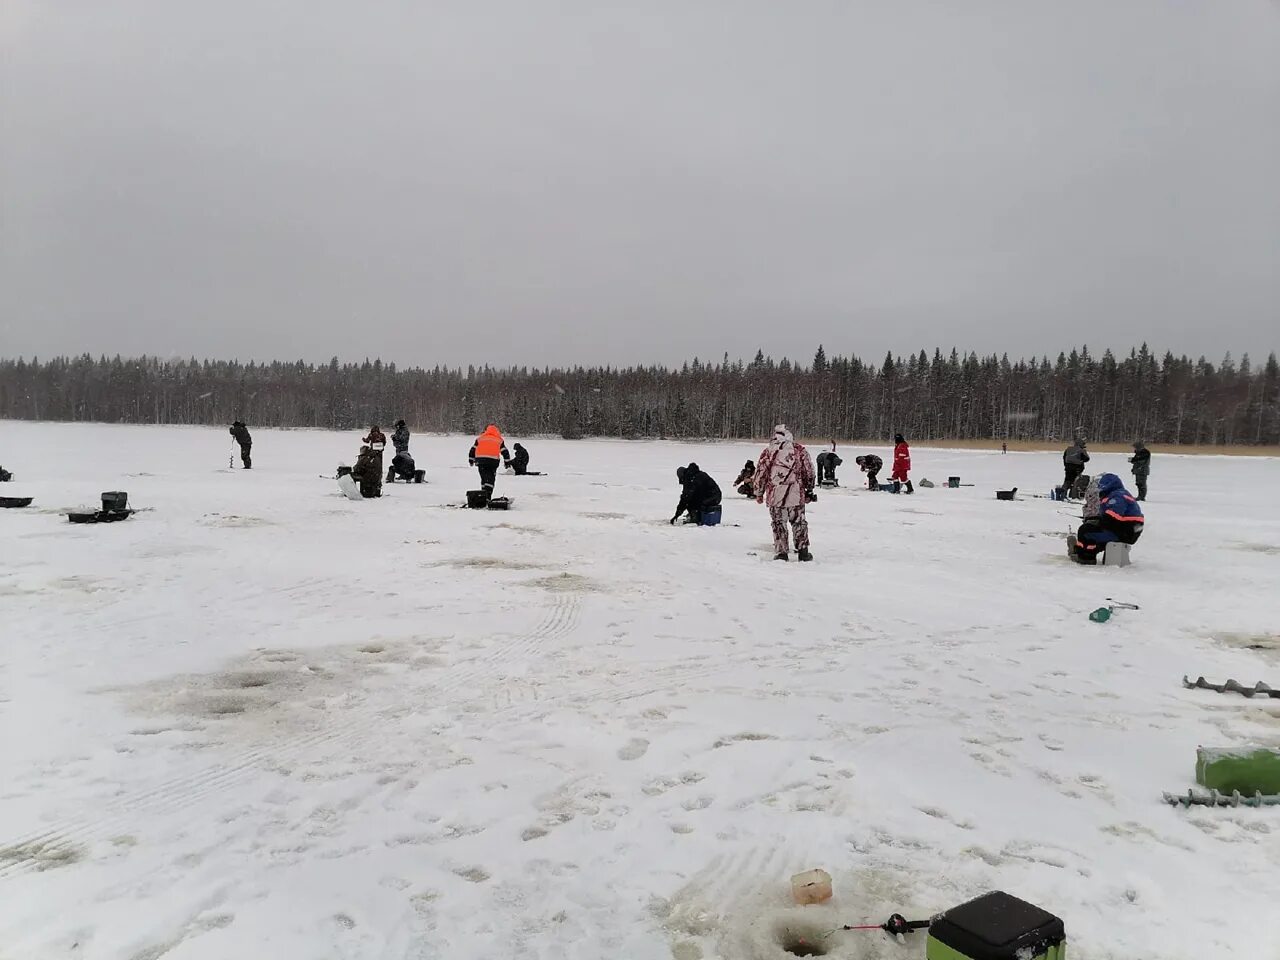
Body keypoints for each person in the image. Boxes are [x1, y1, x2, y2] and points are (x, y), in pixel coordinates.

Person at [753, 425, 816, 561]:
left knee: (778, 523)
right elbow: (809, 471)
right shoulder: (799, 450)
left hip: (775, 494)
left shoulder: (768, 451)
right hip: (796, 493)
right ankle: (803, 551)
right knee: (799, 522)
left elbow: (761, 473)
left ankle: (782, 553)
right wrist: (809, 489)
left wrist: (759, 492)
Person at [1069, 473, 1144, 565]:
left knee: (1085, 531)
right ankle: (1086, 550)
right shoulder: (1122, 493)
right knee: (1097, 533)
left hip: (1123, 531)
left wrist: (1096, 522)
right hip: (1128, 531)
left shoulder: (1116, 497)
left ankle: (1085, 557)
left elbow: (1112, 517)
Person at [468, 424, 511, 503]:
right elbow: (505, 451)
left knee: (484, 478)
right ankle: (487, 496)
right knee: (490, 480)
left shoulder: (480, 438)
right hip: (492, 462)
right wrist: (507, 461)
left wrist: (471, 459)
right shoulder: (499, 440)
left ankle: (483, 496)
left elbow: (472, 449)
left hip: (480, 461)